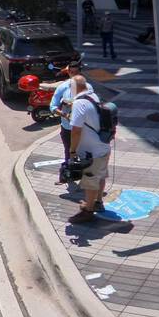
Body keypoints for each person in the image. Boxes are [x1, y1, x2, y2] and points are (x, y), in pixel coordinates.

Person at [64, 78, 115, 224]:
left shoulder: (79, 103)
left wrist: (72, 150)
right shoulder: (93, 97)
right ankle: (98, 202)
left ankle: (88, 211)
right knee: (100, 176)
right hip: (103, 146)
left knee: (90, 182)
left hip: (91, 153)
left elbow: (75, 130)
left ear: (74, 88)